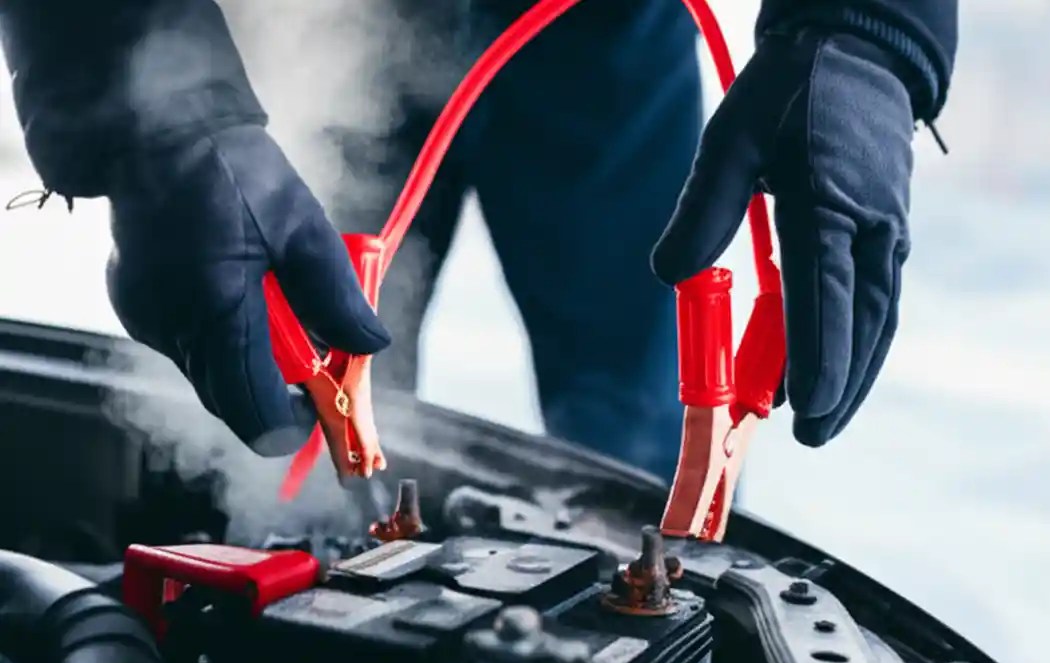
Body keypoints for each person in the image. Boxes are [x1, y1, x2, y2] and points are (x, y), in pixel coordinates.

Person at [0, 0, 957, 480]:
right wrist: (146, 102)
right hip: (311, 37)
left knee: (647, 449)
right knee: (280, 454)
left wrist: (867, 30)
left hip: (599, 39)